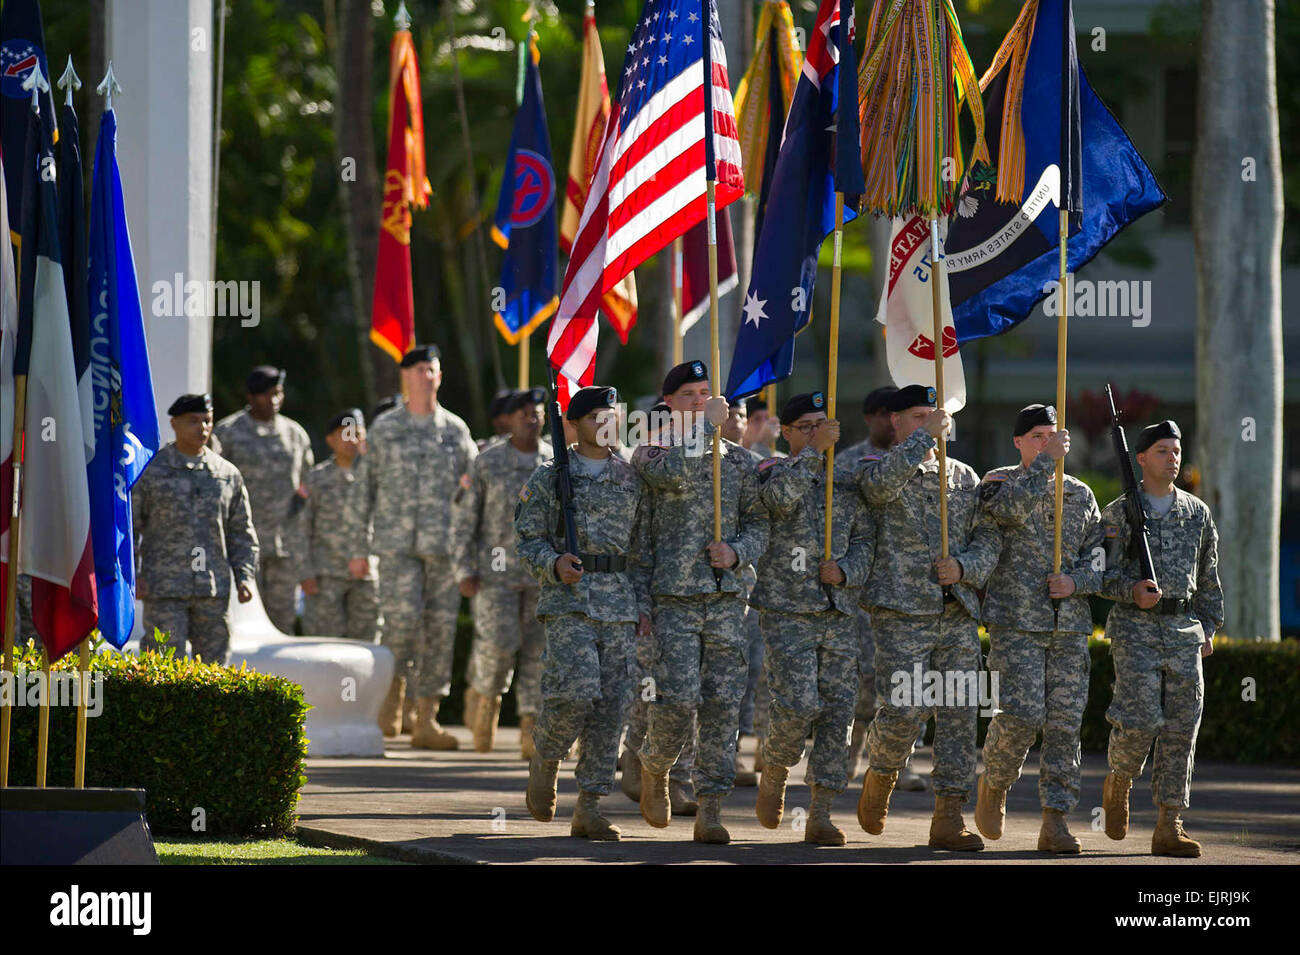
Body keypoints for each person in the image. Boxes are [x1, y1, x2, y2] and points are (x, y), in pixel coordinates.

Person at [853, 384, 1000, 851]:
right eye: (918, 416)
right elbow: (877, 491)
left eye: (934, 417)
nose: (931, 424)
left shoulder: (963, 477)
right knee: (904, 711)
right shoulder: (877, 468)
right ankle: (881, 774)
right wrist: (923, 440)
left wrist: (965, 567)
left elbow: (988, 540)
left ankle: (949, 815)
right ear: (895, 422)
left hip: (955, 611)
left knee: (958, 715)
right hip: (901, 612)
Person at [632, 360, 769, 844]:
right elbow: (666, 477)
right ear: (668, 403)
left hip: (728, 598)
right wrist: (696, 433)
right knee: (679, 698)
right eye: (689, 394)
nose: (699, 400)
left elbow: (759, 524)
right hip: (673, 596)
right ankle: (656, 766)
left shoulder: (739, 462)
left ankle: (710, 806)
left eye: (706, 393)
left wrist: (737, 551)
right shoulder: (650, 451)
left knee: (722, 705)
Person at [517, 386, 651, 841]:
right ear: (573, 425)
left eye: (612, 415)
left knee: (612, 707)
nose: (608, 423)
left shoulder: (632, 477)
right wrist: (553, 563)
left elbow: (642, 550)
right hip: (569, 601)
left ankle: (590, 806)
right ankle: (547, 754)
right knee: (575, 692)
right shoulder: (551, 477)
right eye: (597, 416)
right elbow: (527, 539)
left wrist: (644, 607)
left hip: (618, 604)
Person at [972, 405, 1104, 854]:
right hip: (1017, 622)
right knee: (1022, 715)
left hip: (1068, 625)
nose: (1048, 443)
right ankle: (996, 780)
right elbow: (1006, 514)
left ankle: (1056, 820)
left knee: (1065, 725)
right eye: (1037, 437)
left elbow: (1098, 558)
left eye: (1053, 436)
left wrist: (1077, 582)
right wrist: (1045, 463)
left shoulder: (1081, 495)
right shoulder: (998, 482)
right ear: (1018, 442)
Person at [751, 393, 874, 845]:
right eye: (805, 426)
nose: (816, 433)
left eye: (823, 425)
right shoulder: (771, 470)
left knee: (838, 713)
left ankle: (821, 809)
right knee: (797, 704)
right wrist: (811, 454)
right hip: (788, 608)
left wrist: (846, 572)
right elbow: (777, 502)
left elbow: (865, 539)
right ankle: (777, 770)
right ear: (786, 432)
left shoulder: (845, 481)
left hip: (838, 609)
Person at [1098, 419, 1222, 858]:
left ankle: (1170, 824)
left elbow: (1208, 578)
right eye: (1164, 451)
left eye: (1177, 450)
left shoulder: (1196, 513)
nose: (1173, 459)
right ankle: (1120, 779)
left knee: (1181, 730)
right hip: (1135, 630)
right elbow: (1100, 574)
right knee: (1139, 721)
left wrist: (1207, 627)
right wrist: (1129, 590)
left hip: (1184, 631)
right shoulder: (1118, 513)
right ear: (1142, 458)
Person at [366, 344, 477, 748]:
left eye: (431, 369)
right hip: (396, 547)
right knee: (400, 624)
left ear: (439, 376)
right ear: (405, 378)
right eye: (417, 370)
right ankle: (389, 709)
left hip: (443, 550)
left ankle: (426, 719)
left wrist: (469, 552)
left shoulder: (455, 430)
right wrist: (361, 546)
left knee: (441, 630)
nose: (425, 376)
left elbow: (472, 492)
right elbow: (366, 487)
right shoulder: (385, 429)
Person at [453, 387, 552, 757]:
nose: (532, 418)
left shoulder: (553, 461)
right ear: (508, 419)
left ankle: (531, 728)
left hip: (541, 576)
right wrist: (464, 568)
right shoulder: (488, 462)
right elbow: (465, 521)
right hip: (495, 575)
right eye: (524, 412)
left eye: (537, 411)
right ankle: (485, 714)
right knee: (498, 648)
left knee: (538, 654)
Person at [840, 385, 927, 789]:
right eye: (881, 414)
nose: (886, 423)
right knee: (859, 682)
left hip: (907, 595)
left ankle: (898, 762)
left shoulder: (925, 461)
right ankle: (850, 756)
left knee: (903, 686)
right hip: (862, 594)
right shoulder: (855, 462)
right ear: (874, 418)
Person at [133, 394, 258, 664]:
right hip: (164, 589)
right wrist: (134, 573)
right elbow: (131, 526)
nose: (202, 428)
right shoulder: (152, 471)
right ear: (174, 423)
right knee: (161, 670)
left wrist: (244, 576)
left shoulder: (226, 474)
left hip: (212, 591)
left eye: (207, 421)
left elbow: (241, 532)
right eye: (193, 421)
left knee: (214, 674)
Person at [212, 365, 314, 633]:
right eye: (268, 394)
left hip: (284, 546)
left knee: (283, 623)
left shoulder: (295, 434)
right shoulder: (228, 433)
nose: (275, 400)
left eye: (279, 393)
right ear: (251, 397)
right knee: (241, 623)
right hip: (242, 545)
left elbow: (307, 485)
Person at [295, 408, 380, 643]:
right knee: (324, 646)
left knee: (366, 646)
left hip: (367, 576)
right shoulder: (316, 479)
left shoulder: (378, 476)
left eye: (357, 433)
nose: (352, 440)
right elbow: (301, 528)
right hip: (326, 577)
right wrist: (305, 572)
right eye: (345, 434)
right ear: (330, 440)